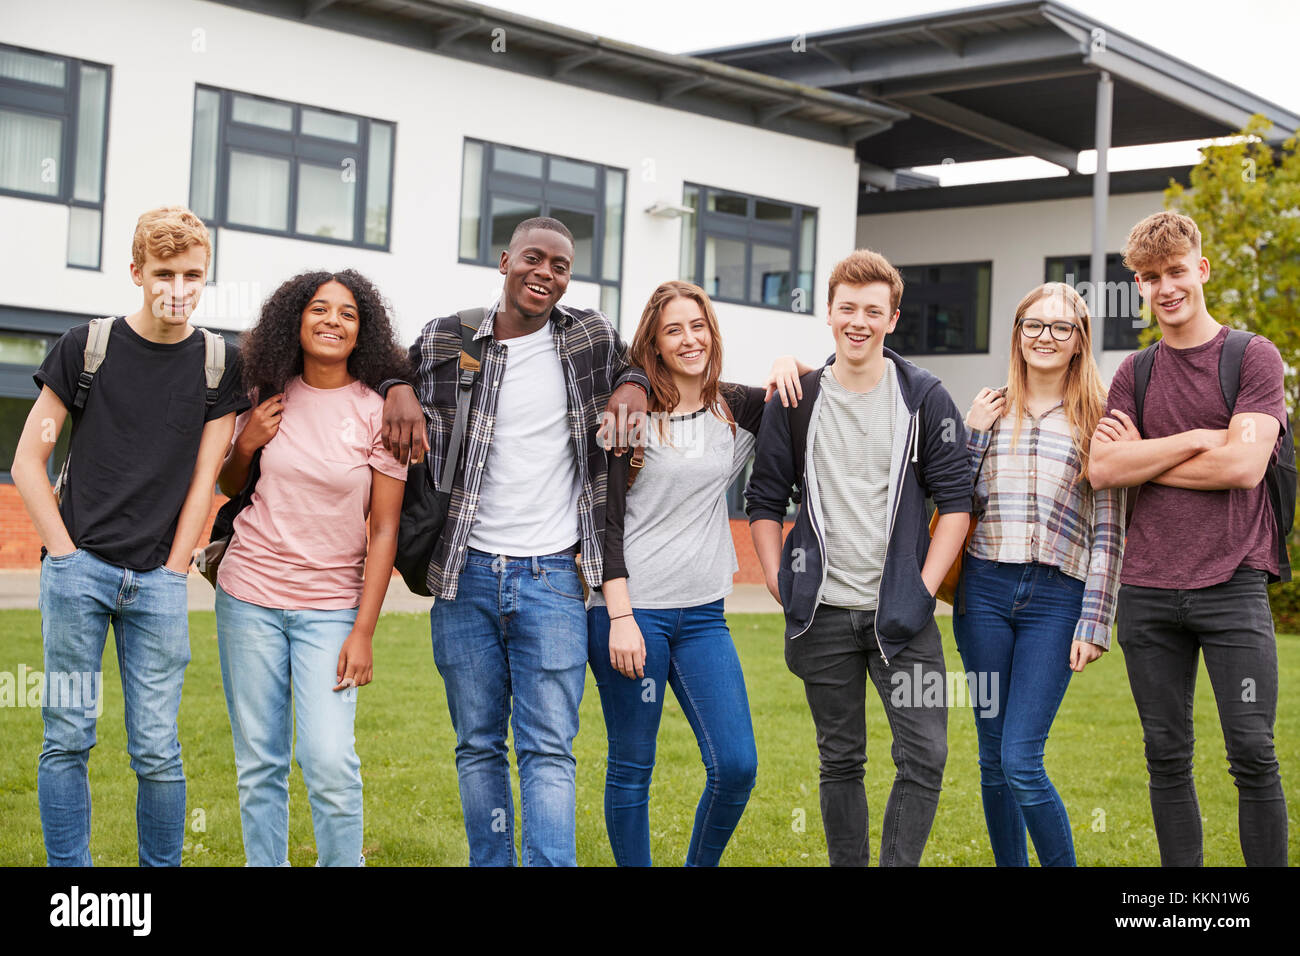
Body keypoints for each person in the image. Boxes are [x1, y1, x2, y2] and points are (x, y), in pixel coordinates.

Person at [377, 216, 651, 866]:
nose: (545, 273)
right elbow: (382, 367)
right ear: (505, 261)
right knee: (477, 744)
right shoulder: (447, 338)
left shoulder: (589, 335)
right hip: (463, 575)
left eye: (559, 265)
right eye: (534, 258)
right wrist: (395, 388)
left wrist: (634, 384)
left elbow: (636, 362)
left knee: (549, 748)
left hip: (553, 577)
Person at [11, 206, 248, 866]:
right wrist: (63, 552)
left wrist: (176, 568)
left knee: (157, 748)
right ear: (137, 272)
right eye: (164, 272)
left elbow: (206, 480)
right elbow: (30, 459)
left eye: (193, 274)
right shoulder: (86, 349)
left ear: (207, 278)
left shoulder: (216, 364)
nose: (178, 288)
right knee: (67, 737)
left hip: (159, 583)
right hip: (76, 574)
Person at [746, 249, 972, 867]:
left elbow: (956, 502)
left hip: (903, 617)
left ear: (892, 319)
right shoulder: (796, 398)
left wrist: (922, 589)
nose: (859, 321)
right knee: (840, 759)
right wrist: (773, 576)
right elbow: (764, 498)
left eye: (873, 311)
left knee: (926, 756)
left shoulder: (925, 397)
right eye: (847, 308)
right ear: (828, 312)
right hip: (820, 615)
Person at [1089, 211, 1289, 867]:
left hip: (1233, 586)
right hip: (1147, 593)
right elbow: (1102, 470)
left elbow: (1245, 467)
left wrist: (1147, 454)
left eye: (1175, 271)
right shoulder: (1133, 374)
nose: (1164, 287)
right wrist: (1202, 438)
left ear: (1200, 269)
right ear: (1140, 288)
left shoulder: (1252, 357)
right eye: (1149, 278)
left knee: (1253, 750)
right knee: (1165, 754)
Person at [590, 280, 807, 866]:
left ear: (712, 332)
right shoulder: (630, 412)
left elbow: (810, 396)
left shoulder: (734, 407)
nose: (689, 340)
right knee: (634, 765)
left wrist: (791, 361)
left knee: (736, 766)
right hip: (633, 613)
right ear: (654, 345)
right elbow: (605, 523)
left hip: (706, 615)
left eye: (698, 326)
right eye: (673, 330)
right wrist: (620, 616)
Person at [212, 269, 408, 867]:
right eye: (320, 309)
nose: (332, 321)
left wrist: (364, 631)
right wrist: (246, 443)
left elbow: (384, 528)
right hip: (248, 596)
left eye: (347, 314)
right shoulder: (265, 397)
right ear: (295, 321)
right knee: (260, 763)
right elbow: (229, 484)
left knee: (328, 759)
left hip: (331, 609)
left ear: (361, 333)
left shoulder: (379, 414)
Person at [954, 282, 1123, 867]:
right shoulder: (989, 410)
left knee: (1021, 759)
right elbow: (955, 504)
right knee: (991, 758)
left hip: (1058, 599)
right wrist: (971, 433)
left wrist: (1095, 620)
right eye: (1034, 325)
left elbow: (1110, 529)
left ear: (1080, 342)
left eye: (1061, 328)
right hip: (984, 593)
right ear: (1018, 334)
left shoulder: (1100, 421)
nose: (1045, 337)